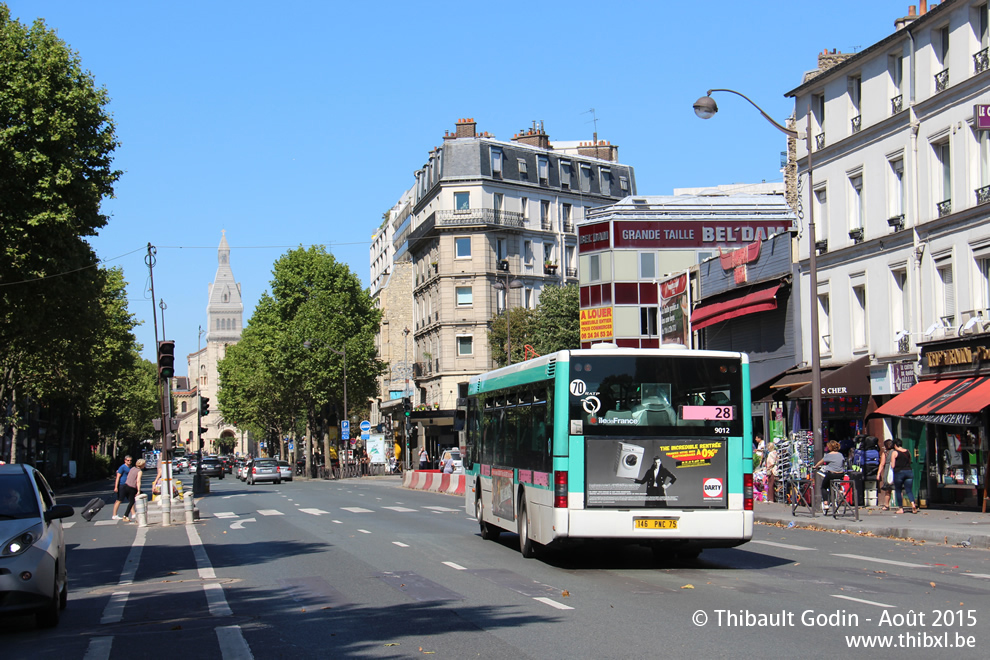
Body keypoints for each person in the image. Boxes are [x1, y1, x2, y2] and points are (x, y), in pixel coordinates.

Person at [813, 440, 846, 513]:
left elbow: (821, 462)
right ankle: (840, 491)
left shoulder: (829, 455)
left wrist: (815, 466)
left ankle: (826, 503)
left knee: (824, 487)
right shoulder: (840, 455)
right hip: (840, 474)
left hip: (831, 474)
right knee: (835, 484)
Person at [891, 438, 918, 514]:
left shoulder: (895, 453)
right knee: (909, 490)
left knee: (898, 490)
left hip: (899, 472)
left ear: (895, 445)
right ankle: (913, 504)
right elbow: (910, 461)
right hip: (908, 471)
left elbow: (893, 465)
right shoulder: (907, 451)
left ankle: (900, 508)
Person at [121, 458, 146, 522]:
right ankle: (128, 515)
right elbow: (138, 481)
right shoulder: (139, 471)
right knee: (136, 500)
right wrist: (138, 490)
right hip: (132, 488)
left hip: (126, 486)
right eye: (144, 464)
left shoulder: (132, 468)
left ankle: (129, 515)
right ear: (142, 464)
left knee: (131, 502)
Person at [876, 439, 895, 510]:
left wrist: (878, 473)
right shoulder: (896, 452)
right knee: (898, 489)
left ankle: (886, 505)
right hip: (896, 470)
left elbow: (882, 464)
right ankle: (901, 505)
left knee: (888, 489)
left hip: (888, 470)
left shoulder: (885, 453)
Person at [112, 455, 133, 520]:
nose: (129, 461)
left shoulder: (130, 467)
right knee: (119, 500)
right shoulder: (122, 467)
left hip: (128, 485)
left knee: (131, 500)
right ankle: (114, 515)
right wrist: (116, 487)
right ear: (125, 460)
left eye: (130, 460)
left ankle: (134, 514)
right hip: (122, 485)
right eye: (128, 460)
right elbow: (118, 477)